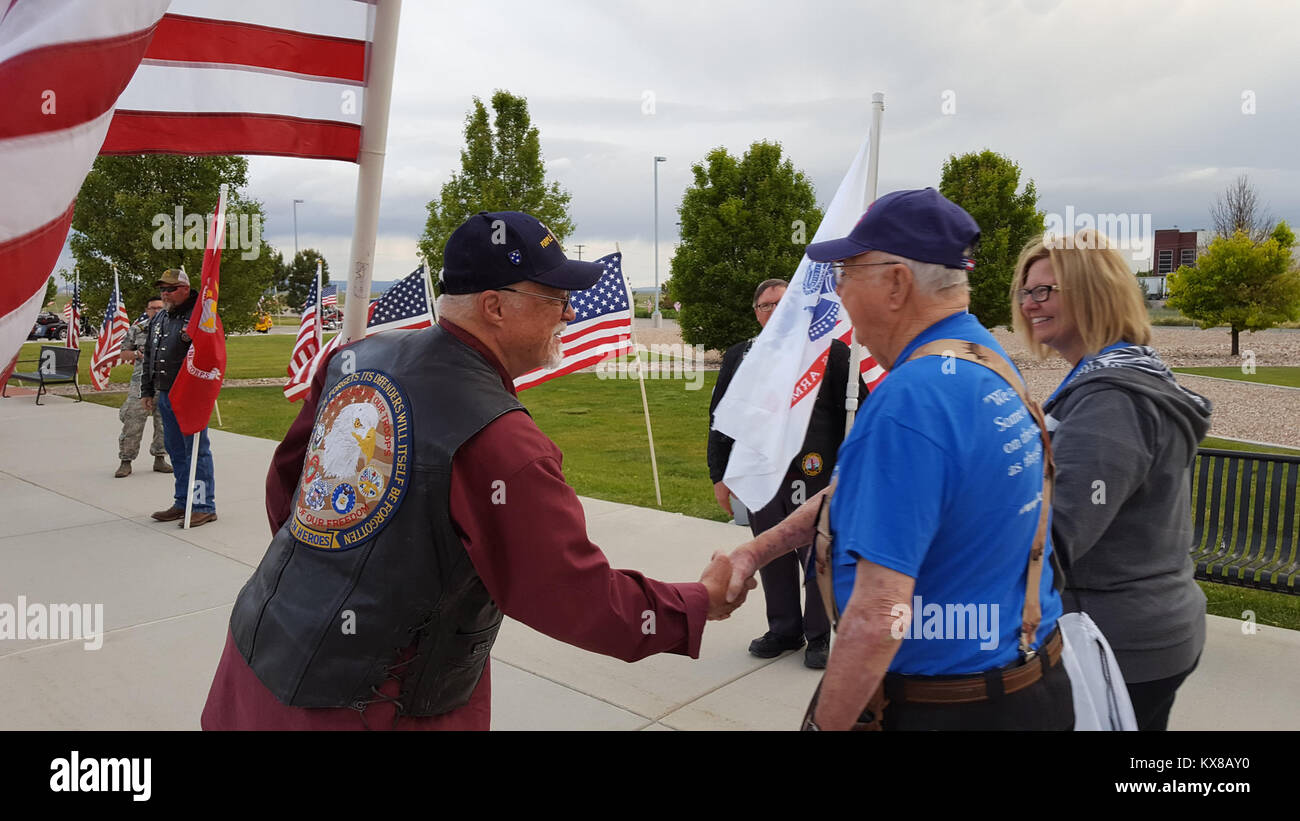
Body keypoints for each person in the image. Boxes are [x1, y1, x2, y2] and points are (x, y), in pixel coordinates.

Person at [201, 211, 754, 730]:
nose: (569, 313)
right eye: (555, 297)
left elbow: (290, 491)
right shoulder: (498, 438)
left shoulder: (355, 358)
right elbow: (574, 595)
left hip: (257, 653)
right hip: (368, 706)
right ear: (495, 306)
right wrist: (697, 602)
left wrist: (329, 576)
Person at [726, 188, 1071, 730]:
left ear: (896, 282)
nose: (838, 292)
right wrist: (756, 552)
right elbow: (857, 491)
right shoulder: (982, 354)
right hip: (1025, 682)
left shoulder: (911, 398)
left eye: (847, 272)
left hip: (946, 706)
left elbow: (876, 616)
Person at [1011, 229, 1210, 731]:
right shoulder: (1117, 375)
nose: (1031, 304)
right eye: (1026, 292)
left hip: (1120, 639)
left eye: (1045, 291)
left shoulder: (1111, 398)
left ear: (1093, 291)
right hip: (1149, 626)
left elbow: (1059, 533)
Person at [709, 278, 858, 668]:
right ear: (756, 313)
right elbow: (721, 418)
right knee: (770, 552)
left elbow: (857, 414)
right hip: (762, 473)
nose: (773, 312)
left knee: (816, 552)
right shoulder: (741, 357)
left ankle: (818, 634)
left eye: (781, 304)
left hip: (816, 470)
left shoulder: (833, 354)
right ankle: (784, 629)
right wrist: (719, 474)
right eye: (765, 306)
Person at [141, 269, 217, 527]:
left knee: (196, 451)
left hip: (189, 394)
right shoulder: (160, 317)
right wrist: (147, 390)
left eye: (171, 289)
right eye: (163, 289)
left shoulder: (201, 315)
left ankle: (204, 505)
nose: (165, 293)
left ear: (185, 288)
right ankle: (182, 501)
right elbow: (151, 354)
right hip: (165, 392)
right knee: (176, 450)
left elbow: (210, 352)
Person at [114, 296, 171, 478]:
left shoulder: (172, 329)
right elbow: (123, 353)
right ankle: (126, 461)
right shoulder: (137, 330)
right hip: (140, 384)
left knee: (163, 423)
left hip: (164, 384)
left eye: (160, 308)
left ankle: (160, 458)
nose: (156, 311)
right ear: (147, 310)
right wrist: (136, 354)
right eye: (152, 308)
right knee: (133, 421)